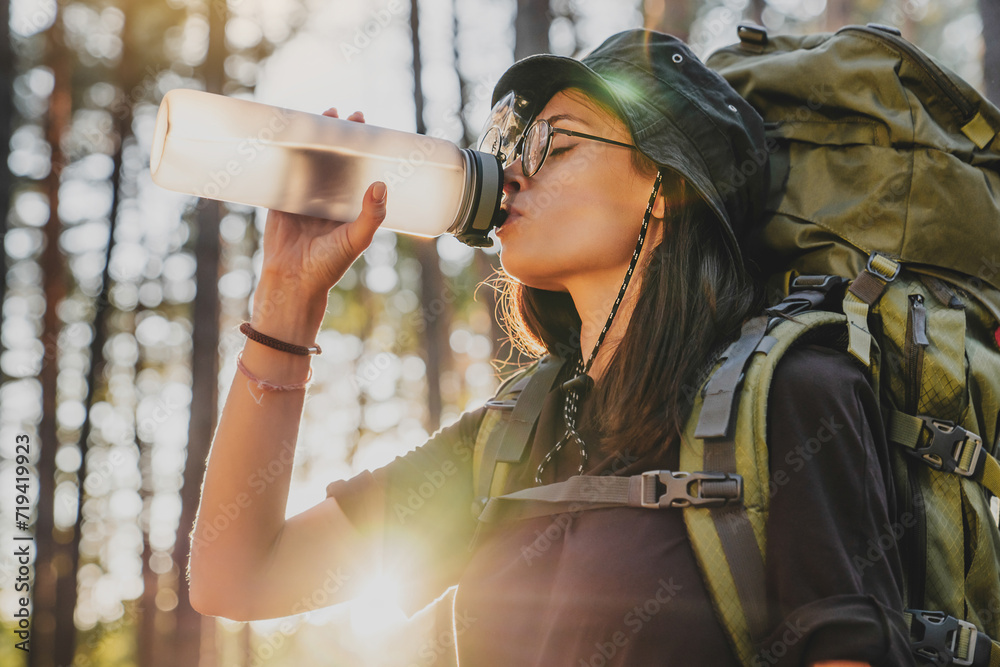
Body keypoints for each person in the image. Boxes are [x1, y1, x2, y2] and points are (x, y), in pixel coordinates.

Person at [189, 29, 915, 666]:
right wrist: (287, 301)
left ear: (665, 187)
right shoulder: (509, 440)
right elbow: (238, 575)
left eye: (554, 142)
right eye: (509, 146)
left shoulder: (788, 393)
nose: (509, 173)